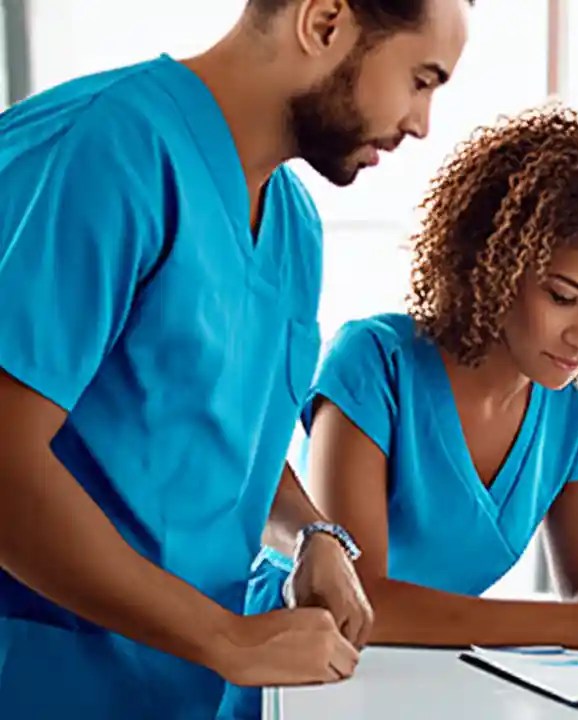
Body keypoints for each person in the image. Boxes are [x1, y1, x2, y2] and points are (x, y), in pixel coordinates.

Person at [0, 0, 469, 717]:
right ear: (324, 21)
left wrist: (313, 535)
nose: (421, 122)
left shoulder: (294, 225)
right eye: (421, 79)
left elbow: (222, 442)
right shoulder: (104, 151)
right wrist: (227, 638)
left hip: (191, 694)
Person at [236, 102, 578, 651]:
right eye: (562, 297)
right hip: (286, 661)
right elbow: (360, 602)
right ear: (495, 267)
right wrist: (577, 628)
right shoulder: (374, 363)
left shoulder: (570, 405)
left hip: (418, 675)